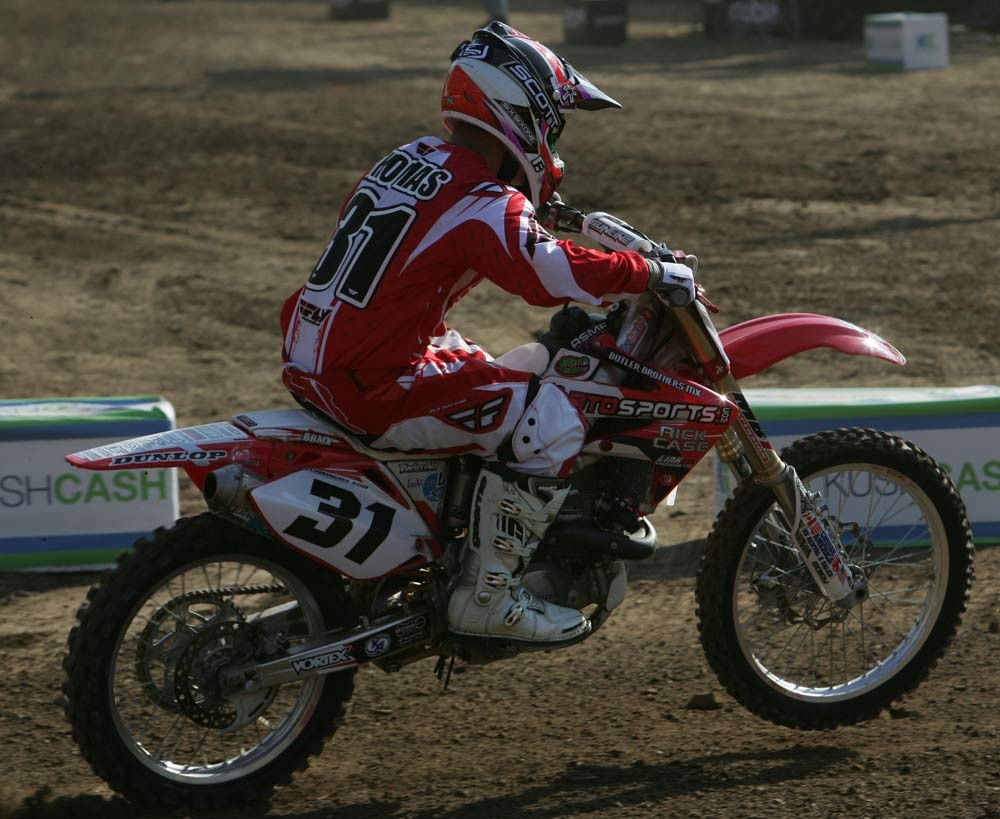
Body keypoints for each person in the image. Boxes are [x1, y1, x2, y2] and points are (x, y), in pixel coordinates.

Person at [280, 22, 695, 647]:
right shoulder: (482, 199)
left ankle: (449, 539)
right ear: (520, 113)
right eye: (552, 123)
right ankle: (488, 595)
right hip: (372, 382)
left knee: (510, 370)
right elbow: (545, 272)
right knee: (553, 419)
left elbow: (432, 231)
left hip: (321, 352)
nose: (554, 140)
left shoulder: (411, 158)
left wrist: (528, 210)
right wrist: (649, 272)